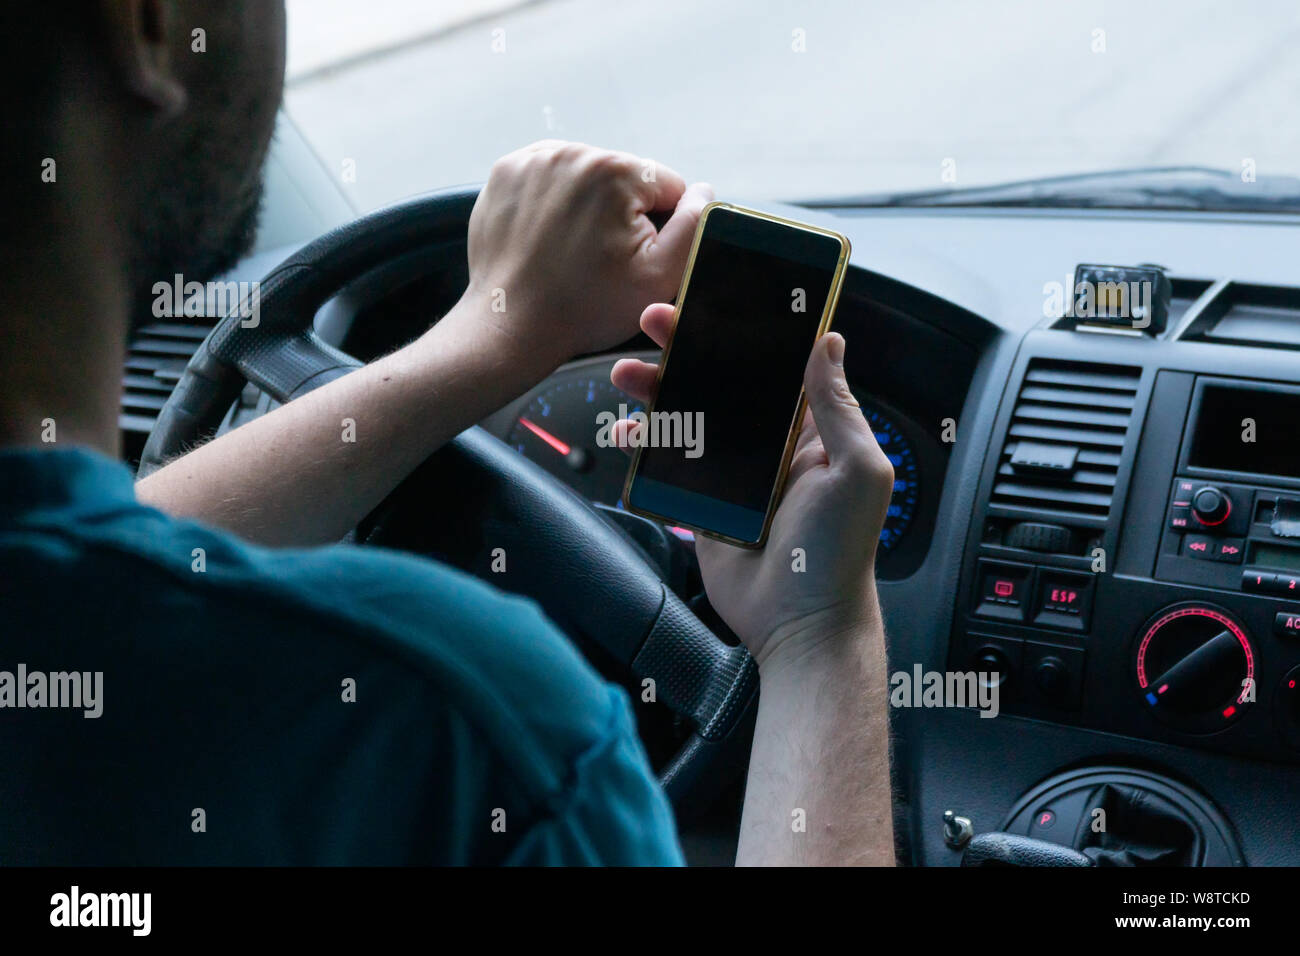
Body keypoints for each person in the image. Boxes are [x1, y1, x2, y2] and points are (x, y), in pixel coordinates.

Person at [0, 0, 895, 865]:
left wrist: (492, 335)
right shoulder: (473, 728)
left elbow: (97, 572)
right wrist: (819, 633)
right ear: (146, 18)